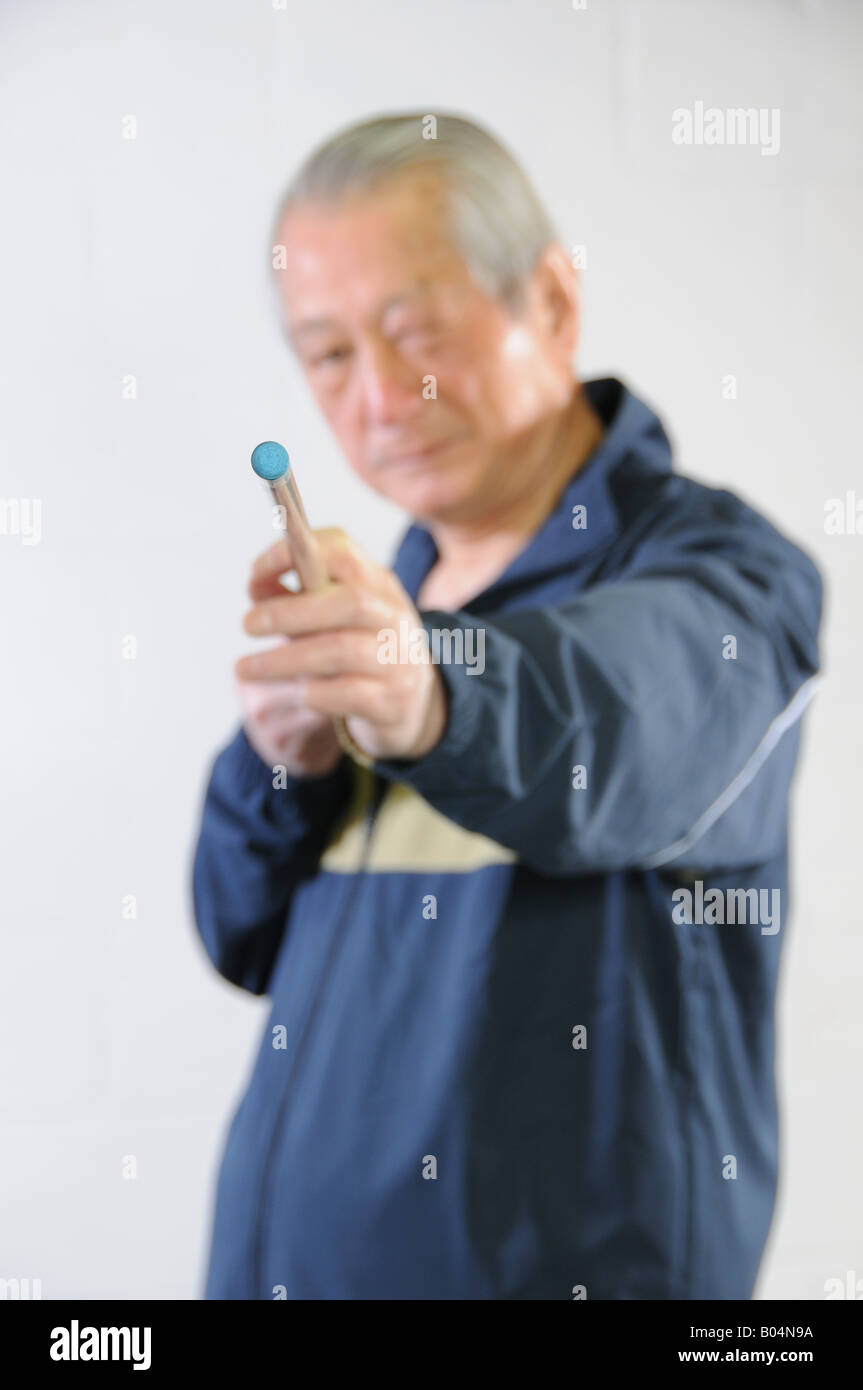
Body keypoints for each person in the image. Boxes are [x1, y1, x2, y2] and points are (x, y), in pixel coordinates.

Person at [190, 113, 822, 1300]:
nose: (377, 396)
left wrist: (426, 690)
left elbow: (609, 718)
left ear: (549, 298)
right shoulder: (385, 597)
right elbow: (237, 935)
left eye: (413, 333)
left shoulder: (723, 578)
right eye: (327, 356)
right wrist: (287, 765)